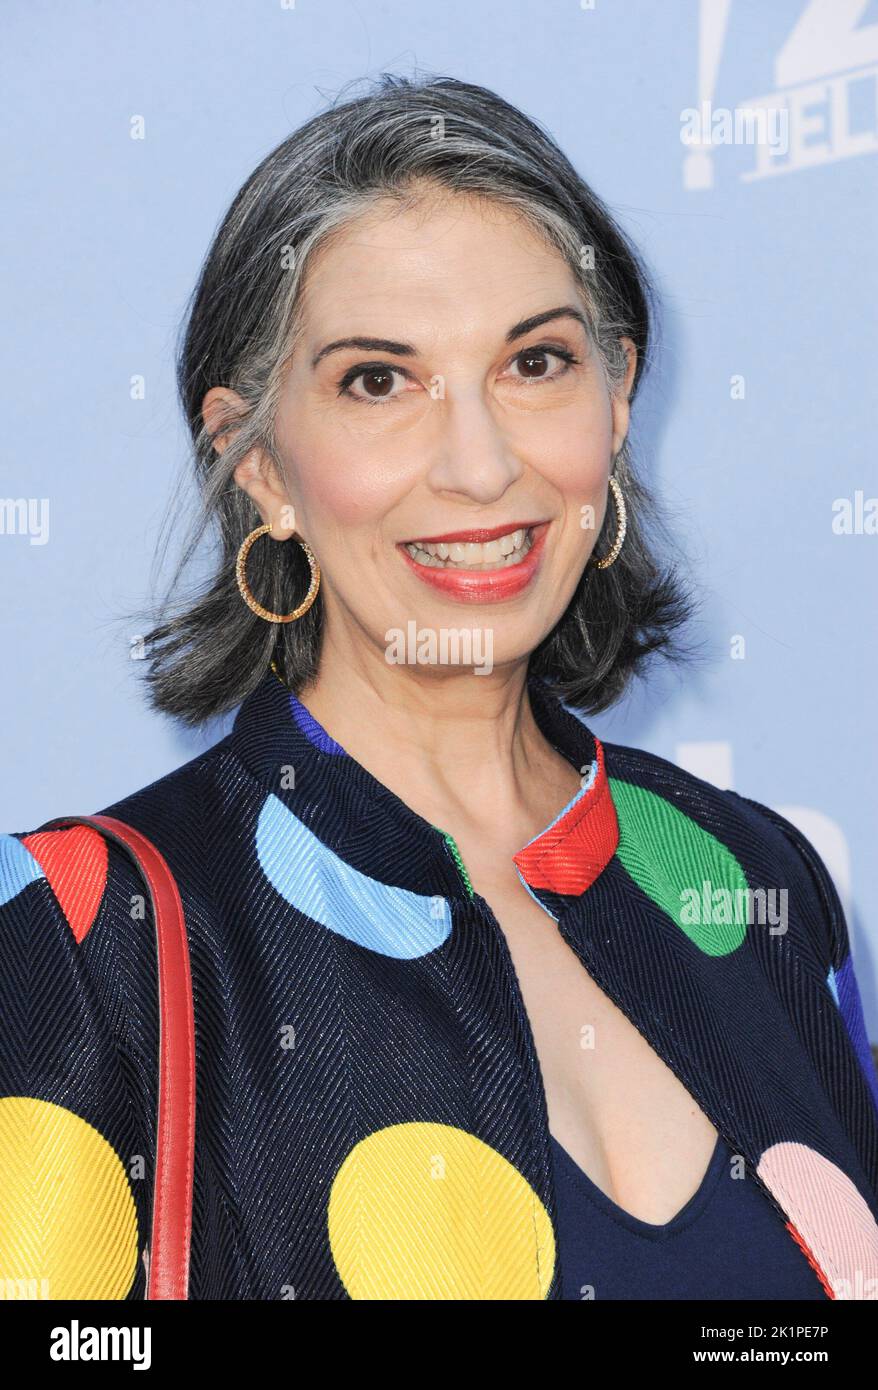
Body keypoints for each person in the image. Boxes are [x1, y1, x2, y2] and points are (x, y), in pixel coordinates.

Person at [2, 73, 877, 1302]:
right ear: (258, 464)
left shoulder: (749, 875)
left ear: (617, 398)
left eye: (534, 362)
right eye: (377, 380)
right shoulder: (89, 934)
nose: (477, 465)